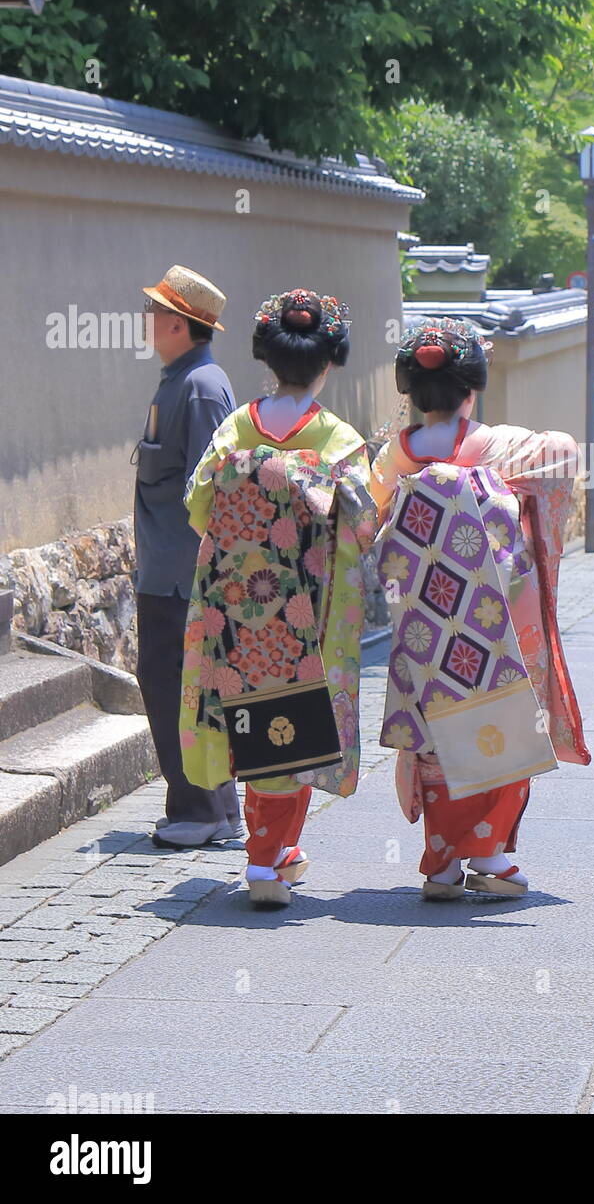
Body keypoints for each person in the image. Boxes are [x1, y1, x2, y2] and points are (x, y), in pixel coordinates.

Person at [368, 317, 590, 899]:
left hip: (424, 622)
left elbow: (369, 519)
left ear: (410, 393)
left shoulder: (395, 456)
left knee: (438, 732)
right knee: (506, 721)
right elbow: (565, 454)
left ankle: (441, 863)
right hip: (496, 620)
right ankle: (489, 857)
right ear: (473, 388)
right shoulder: (501, 446)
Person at [179, 288, 377, 907]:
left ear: (268, 361)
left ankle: (274, 852)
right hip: (307, 611)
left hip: (237, 606)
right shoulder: (338, 438)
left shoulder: (236, 427)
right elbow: (361, 524)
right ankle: (265, 862)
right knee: (299, 722)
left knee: (250, 716)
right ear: (329, 365)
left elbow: (198, 506)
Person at [134, 265, 241, 850]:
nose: (148, 320)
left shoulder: (198, 387)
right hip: (171, 567)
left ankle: (198, 810)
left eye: (155, 311)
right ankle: (216, 808)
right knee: (186, 686)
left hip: (182, 573)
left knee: (172, 683)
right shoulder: (184, 379)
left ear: (178, 324)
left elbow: (211, 490)